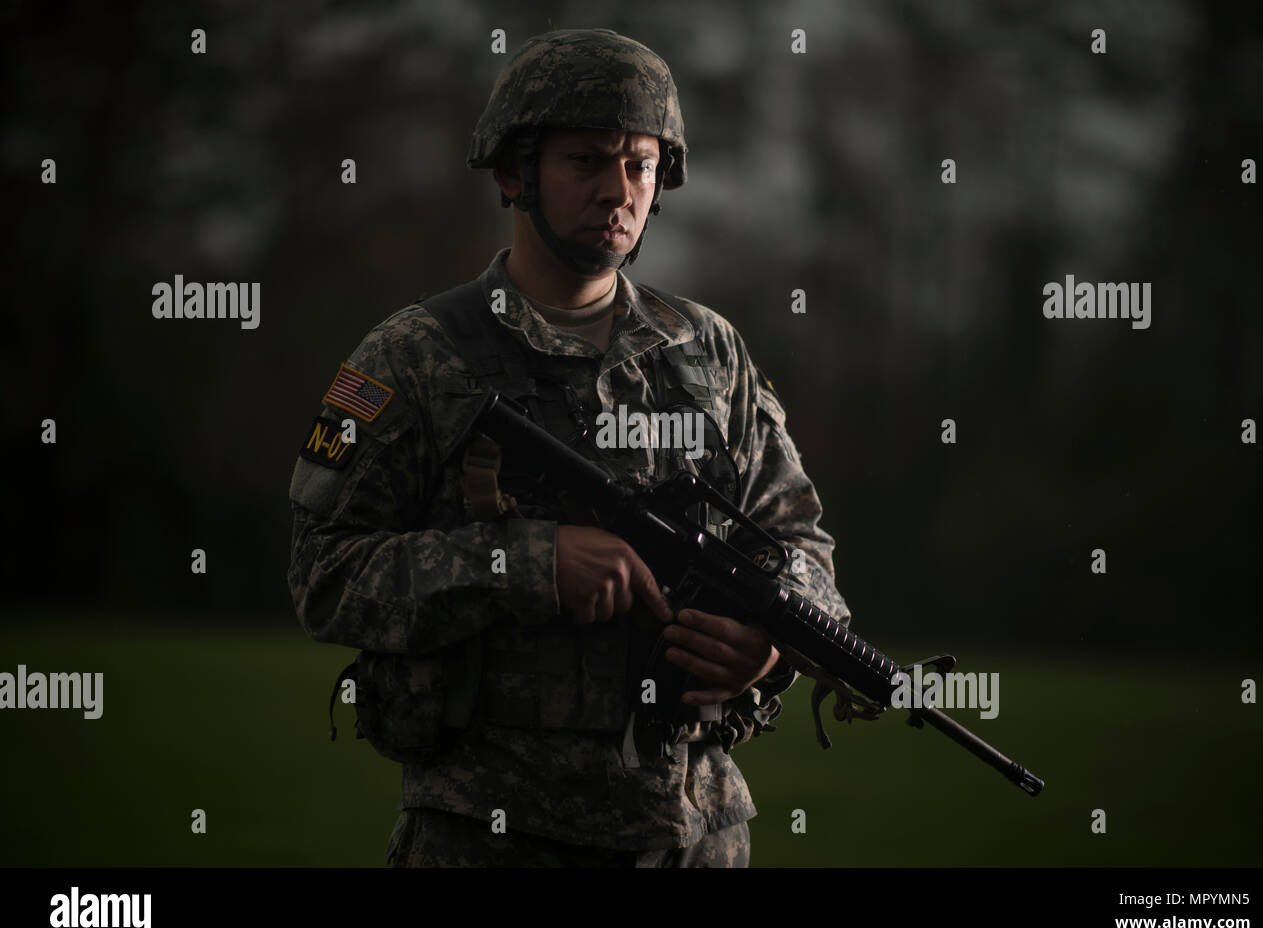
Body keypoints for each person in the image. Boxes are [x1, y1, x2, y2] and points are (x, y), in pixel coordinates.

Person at [287, 27, 852, 867]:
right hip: (493, 832)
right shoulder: (413, 354)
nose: (617, 191)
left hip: (694, 835)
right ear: (517, 173)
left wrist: (770, 645)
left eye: (640, 164)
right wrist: (526, 563)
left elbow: (805, 549)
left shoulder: (709, 351)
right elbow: (323, 575)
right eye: (587, 162)